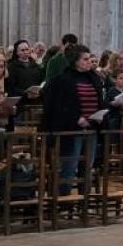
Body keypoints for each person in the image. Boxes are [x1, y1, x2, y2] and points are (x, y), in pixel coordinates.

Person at [41, 44, 106, 194]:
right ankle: (64, 200)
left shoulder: (93, 78)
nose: (89, 61)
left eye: (90, 58)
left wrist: (101, 114)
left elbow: (98, 100)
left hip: (91, 128)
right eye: (85, 59)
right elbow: (58, 107)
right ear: (75, 61)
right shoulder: (63, 80)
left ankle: (84, 200)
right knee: (69, 167)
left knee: (88, 167)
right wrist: (76, 119)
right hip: (71, 131)